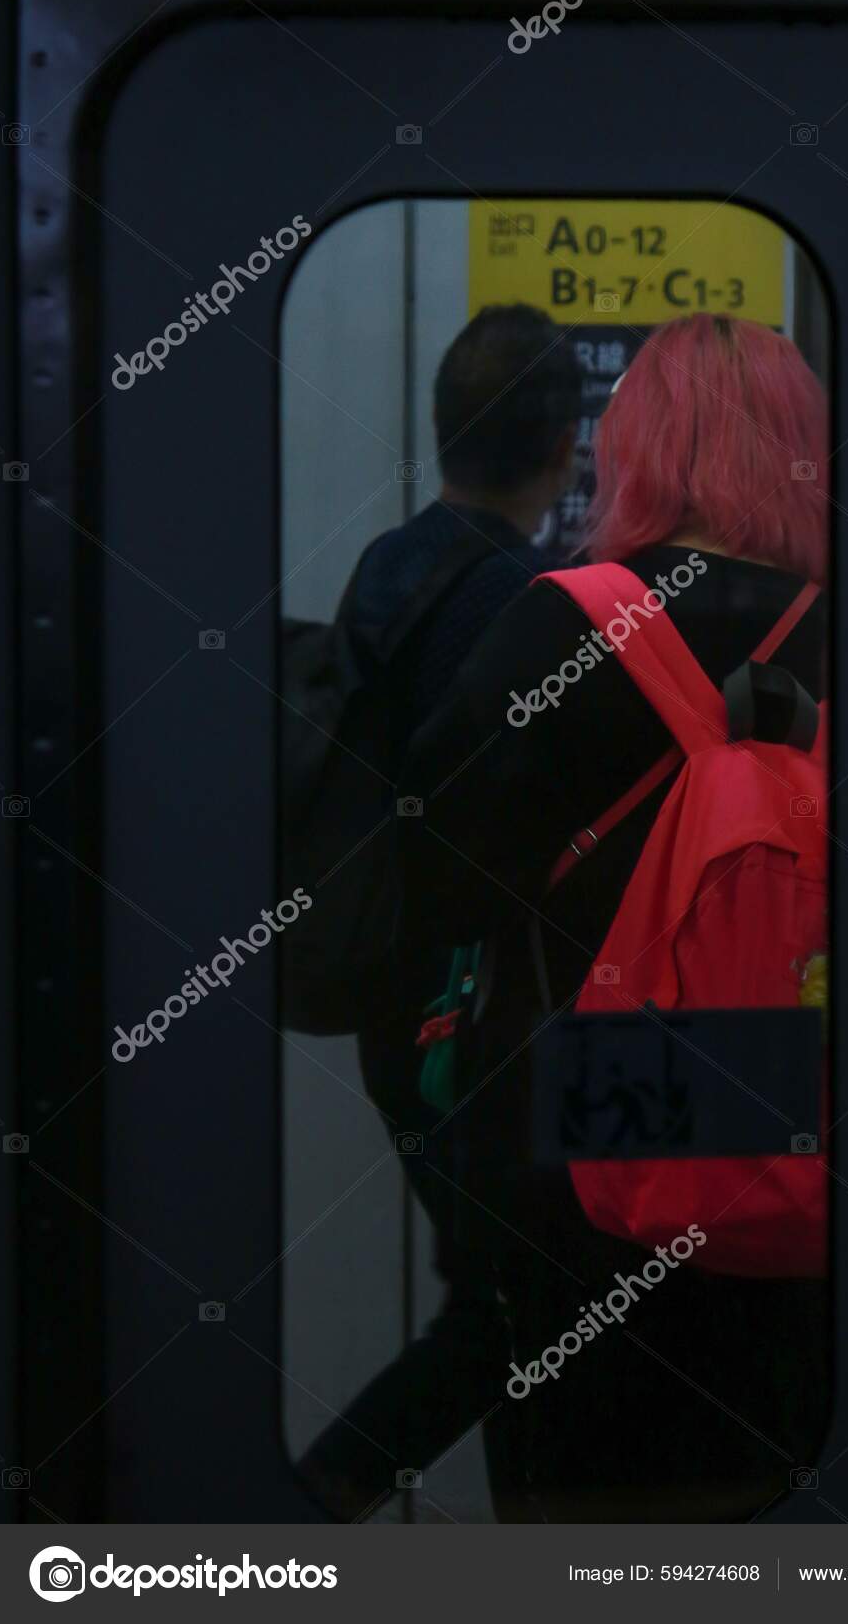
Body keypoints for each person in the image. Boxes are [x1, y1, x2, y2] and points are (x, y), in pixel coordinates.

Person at [397, 313, 830, 1522]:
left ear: (634, 445)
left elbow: (433, 875)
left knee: (588, 1463)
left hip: (579, 1089)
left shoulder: (564, 621)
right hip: (809, 1087)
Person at [297, 303, 581, 1519]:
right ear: (563, 449)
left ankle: (329, 1492)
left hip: (389, 1004)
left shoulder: (385, 567)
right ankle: (316, 1495)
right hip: (473, 1019)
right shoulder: (527, 602)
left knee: (504, 1295)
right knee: (519, 1304)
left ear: (441, 429)